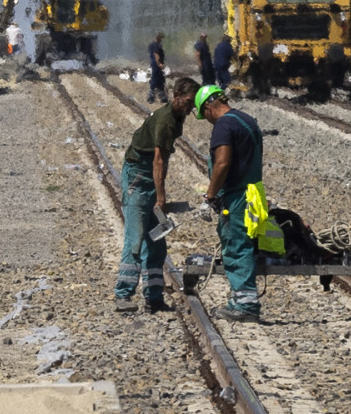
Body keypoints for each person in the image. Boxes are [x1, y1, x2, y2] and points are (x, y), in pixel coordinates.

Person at [114, 75, 200, 313]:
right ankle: (123, 295)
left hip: (149, 178)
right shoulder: (165, 121)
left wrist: (159, 191)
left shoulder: (176, 117)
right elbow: (159, 161)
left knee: (156, 241)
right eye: (187, 101)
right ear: (176, 96)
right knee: (136, 238)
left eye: (193, 103)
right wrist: (160, 198)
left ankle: (154, 297)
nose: (190, 106)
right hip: (139, 178)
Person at [195, 84, 273, 323]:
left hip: (237, 196)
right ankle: (242, 300)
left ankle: (245, 305)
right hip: (253, 192)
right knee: (245, 243)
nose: (206, 120)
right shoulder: (246, 120)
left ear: (208, 107)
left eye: (203, 114)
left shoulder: (224, 125)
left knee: (236, 246)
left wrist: (209, 196)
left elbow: (222, 163)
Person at [146, 32, 168, 104]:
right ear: (158, 37)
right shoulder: (155, 45)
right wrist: (159, 64)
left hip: (157, 65)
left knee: (160, 79)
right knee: (155, 78)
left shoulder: (157, 45)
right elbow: (156, 55)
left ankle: (161, 95)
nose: (162, 39)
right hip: (156, 65)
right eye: (161, 37)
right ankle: (151, 96)